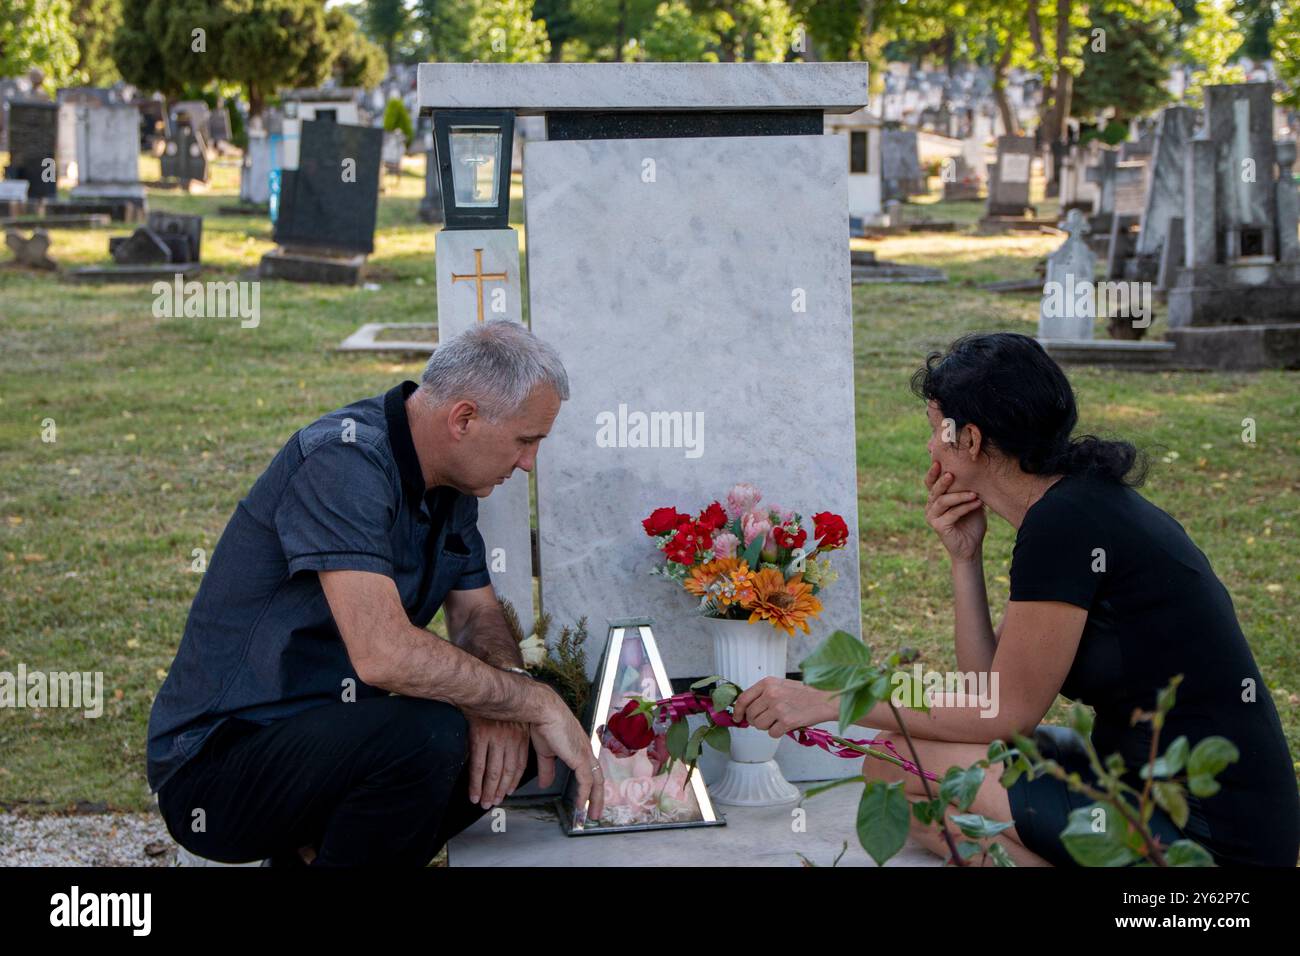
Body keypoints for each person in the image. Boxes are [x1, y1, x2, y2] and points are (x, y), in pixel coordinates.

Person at [733, 332, 1299, 867]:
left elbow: (1004, 716)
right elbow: (991, 693)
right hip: (1134, 783)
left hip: (1209, 833)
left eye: (935, 428)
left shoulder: (1068, 522)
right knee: (894, 773)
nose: (929, 446)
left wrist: (833, 698)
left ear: (970, 439)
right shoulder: (1071, 508)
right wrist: (964, 558)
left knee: (905, 758)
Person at [147, 319, 604, 866]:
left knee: (552, 714)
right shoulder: (342, 460)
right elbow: (382, 654)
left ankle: (325, 851)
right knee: (433, 734)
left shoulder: (453, 487)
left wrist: (509, 692)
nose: (528, 463)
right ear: (463, 418)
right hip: (221, 764)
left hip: (334, 743)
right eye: (526, 441)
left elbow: (477, 616)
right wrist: (525, 700)